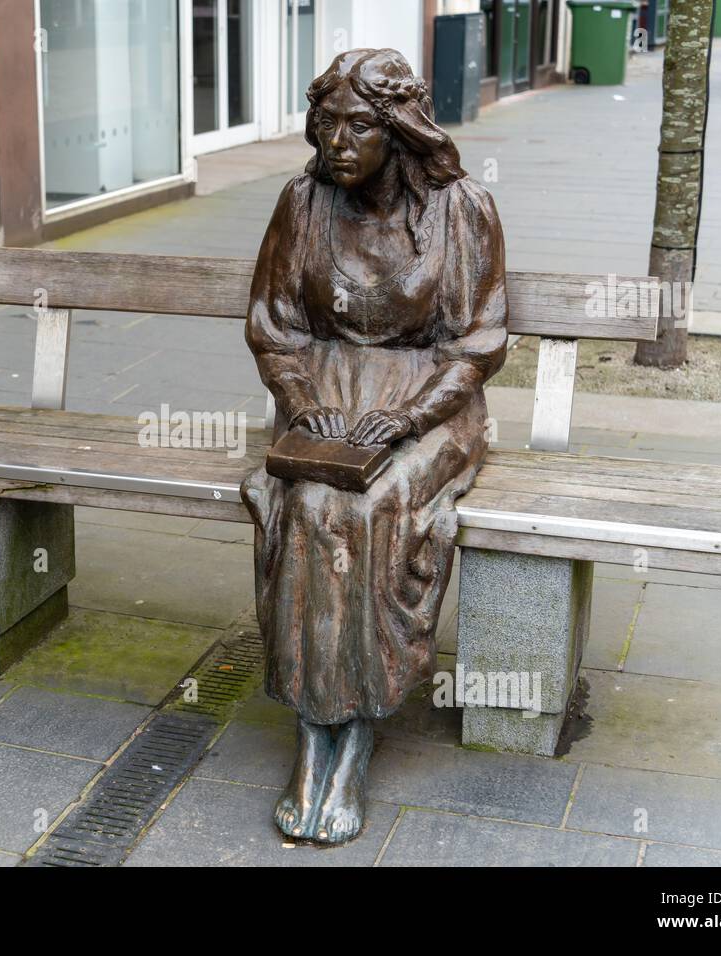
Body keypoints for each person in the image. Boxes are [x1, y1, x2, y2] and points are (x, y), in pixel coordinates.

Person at [241, 48, 509, 844]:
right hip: (324, 397)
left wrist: (411, 416)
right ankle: (311, 731)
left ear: (400, 130)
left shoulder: (463, 210)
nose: (337, 144)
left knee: (379, 503)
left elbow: (477, 343)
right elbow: (273, 325)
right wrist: (300, 403)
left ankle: (352, 736)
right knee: (309, 499)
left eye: (359, 126)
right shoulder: (302, 202)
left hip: (430, 405)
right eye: (326, 126)